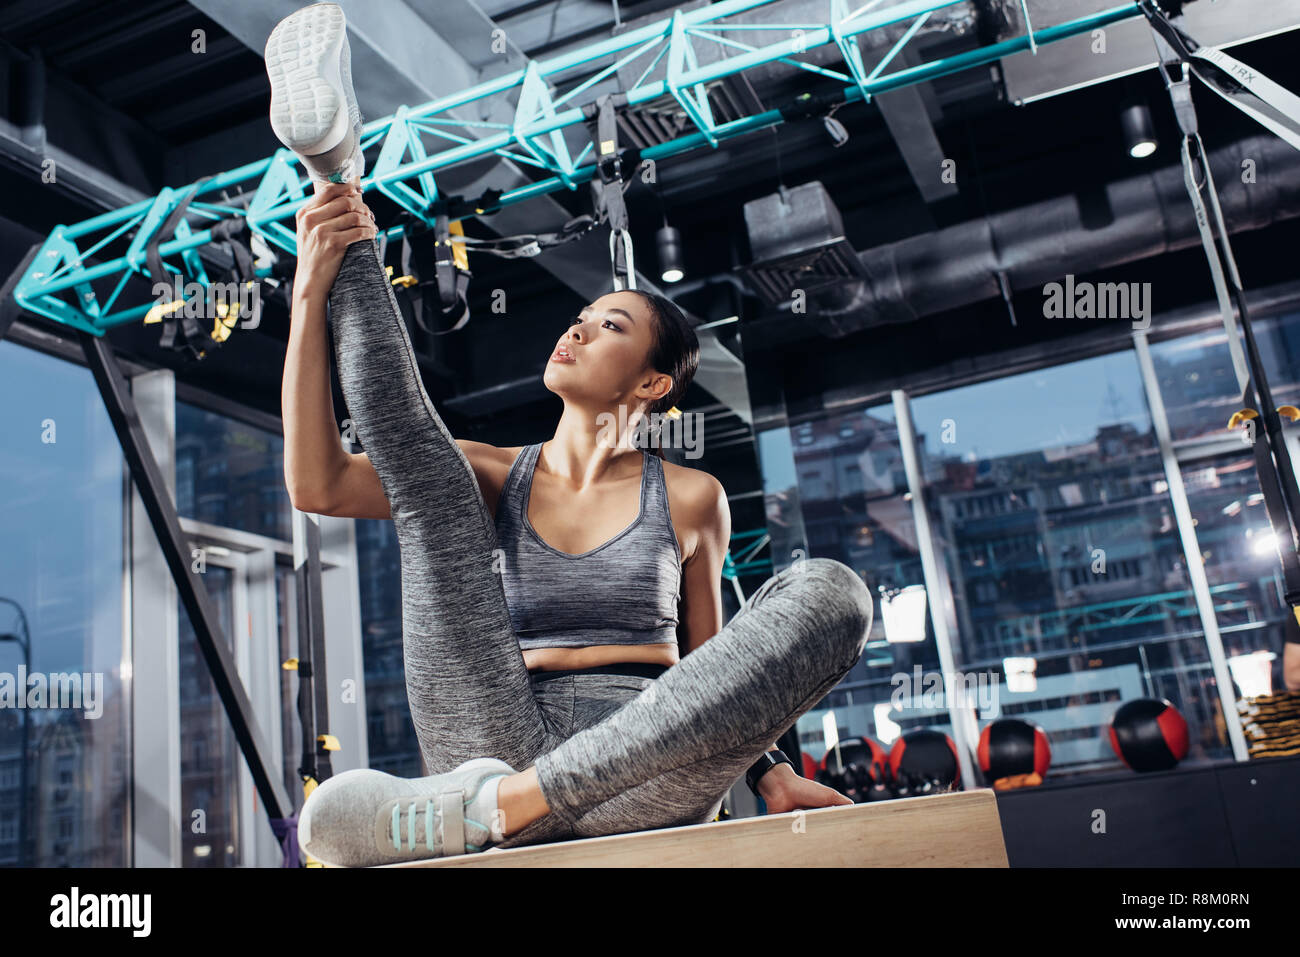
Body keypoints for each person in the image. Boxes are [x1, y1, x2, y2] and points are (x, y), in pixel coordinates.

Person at [269, 2, 874, 866]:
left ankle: (498, 809)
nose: (581, 328)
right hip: (491, 730)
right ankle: (335, 166)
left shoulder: (693, 497)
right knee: (427, 478)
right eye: (582, 316)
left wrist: (771, 775)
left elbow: (713, 665)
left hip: (643, 768)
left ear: (654, 381)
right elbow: (317, 484)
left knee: (834, 595)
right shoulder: (489, 472)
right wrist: (307, 297)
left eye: (613, 326)